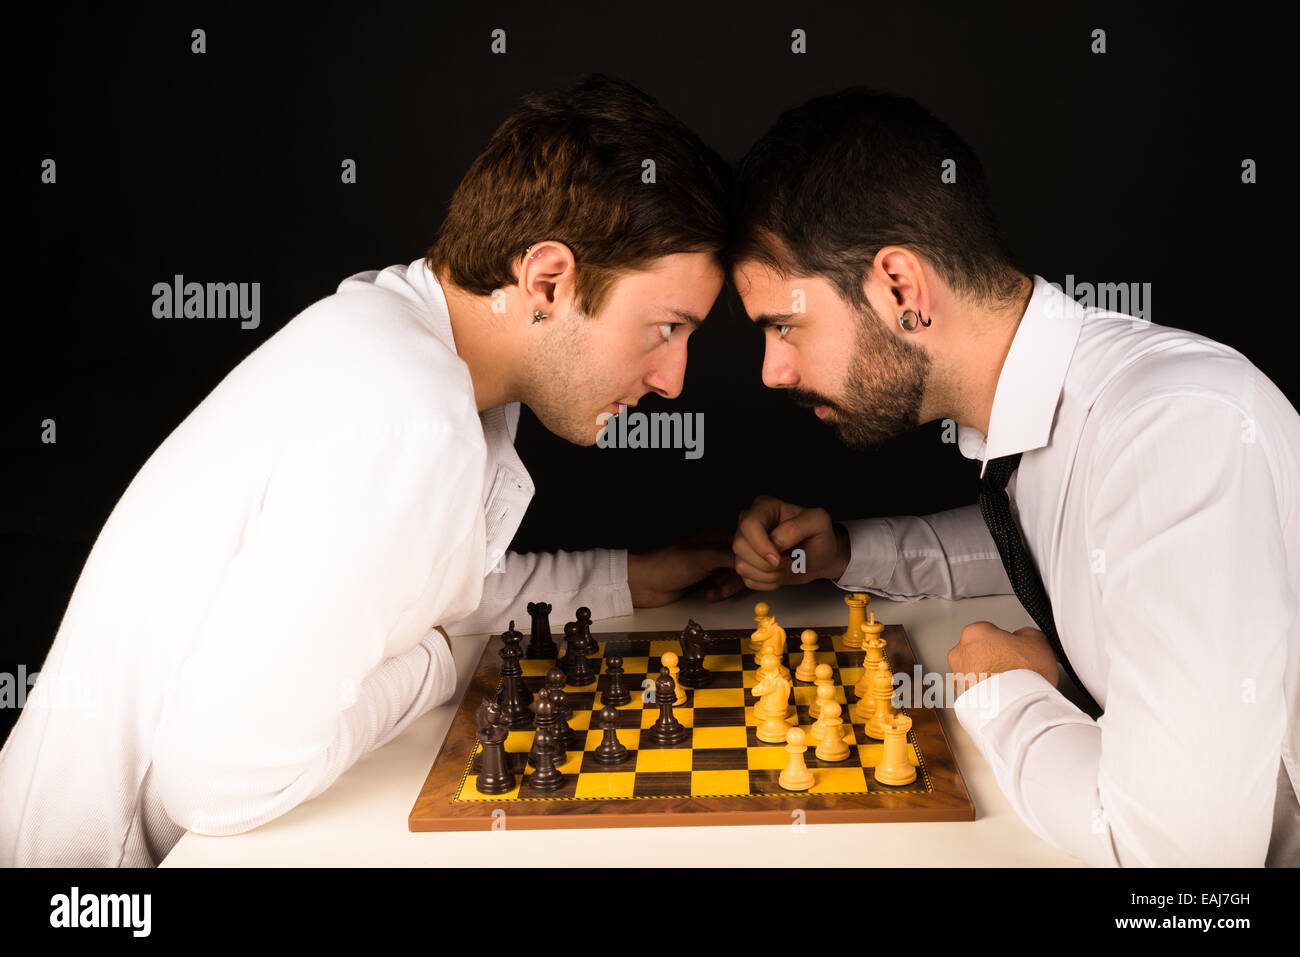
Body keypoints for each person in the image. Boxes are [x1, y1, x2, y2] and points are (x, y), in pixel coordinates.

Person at [0, 74, 739, 867]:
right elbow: (218, 779)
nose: (674, 380)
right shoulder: (407, 413)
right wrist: (430, 666)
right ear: (548, 279)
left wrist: (635, 578)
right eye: (666, 326)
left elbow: (422, 591)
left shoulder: (400, 344)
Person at [725, 87, 1299, 866]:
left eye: (785, 326)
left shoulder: (1175, 427)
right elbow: (1060, 538)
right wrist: (850, 554)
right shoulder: (1072, 416)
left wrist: (1002, 690)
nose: (773, 370)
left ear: (901, 290)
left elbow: (1185, 869)